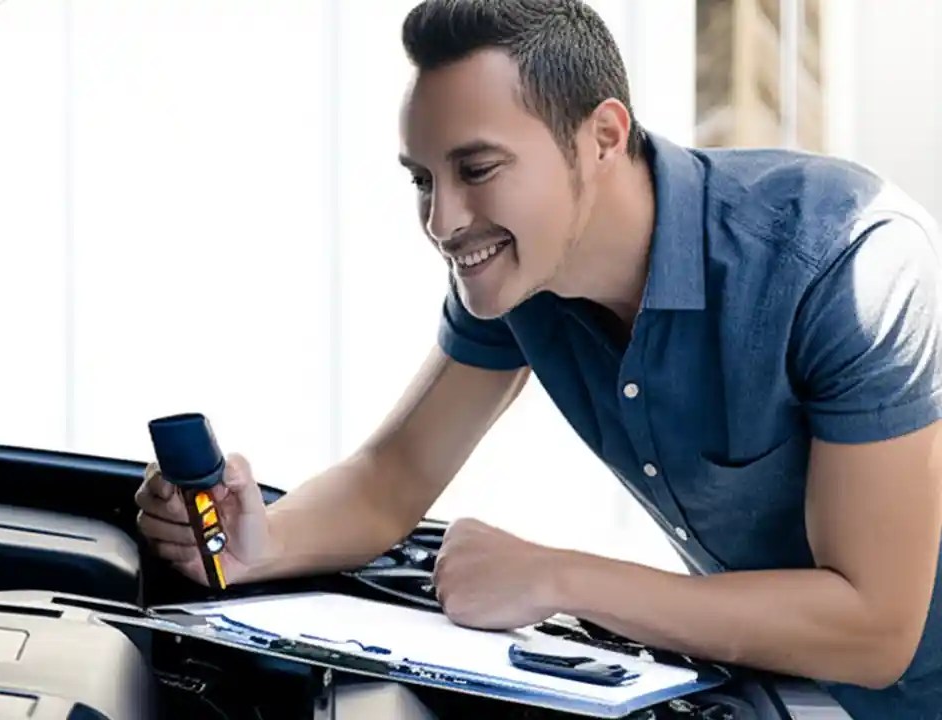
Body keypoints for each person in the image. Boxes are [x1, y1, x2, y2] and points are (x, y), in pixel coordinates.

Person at [133, 1, 942, 716]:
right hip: (787, 692)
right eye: (424, 179)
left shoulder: (846, 265)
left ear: (602, 136)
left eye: (477, 170)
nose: (443, 220)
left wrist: (560, 578)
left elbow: (874, 630)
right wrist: (264, 543)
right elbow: (391, 479)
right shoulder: (521, 274)